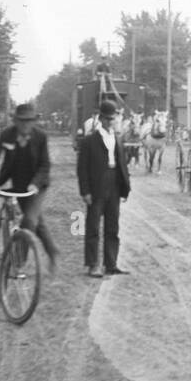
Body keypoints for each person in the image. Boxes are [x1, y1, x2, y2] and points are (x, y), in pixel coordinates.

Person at [0, 103, 59, 275]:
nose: (25, 125)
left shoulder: (41, 136)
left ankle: (18, 261)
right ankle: (52, 251)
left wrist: (35, 184)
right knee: (37, 222)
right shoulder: (7, 134)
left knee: (29, 220)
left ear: (34, 121)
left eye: (29, 121)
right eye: (21, 121)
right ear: (15, 121)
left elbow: (45, 165)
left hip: (37, 186)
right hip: (17, 185)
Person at [76, 99, 131, 277]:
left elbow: (122, 163)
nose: (109, 122)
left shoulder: (117, 138)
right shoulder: (89, 141)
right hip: (96, 185)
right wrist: (85, 192)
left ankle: (111, 263)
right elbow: (82, 169)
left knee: (112, 226)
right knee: (93, 227)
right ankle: (93, 264)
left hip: (114, 183)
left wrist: (124, 188)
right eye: (106, 119)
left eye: (112, 119)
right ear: (100, 118)